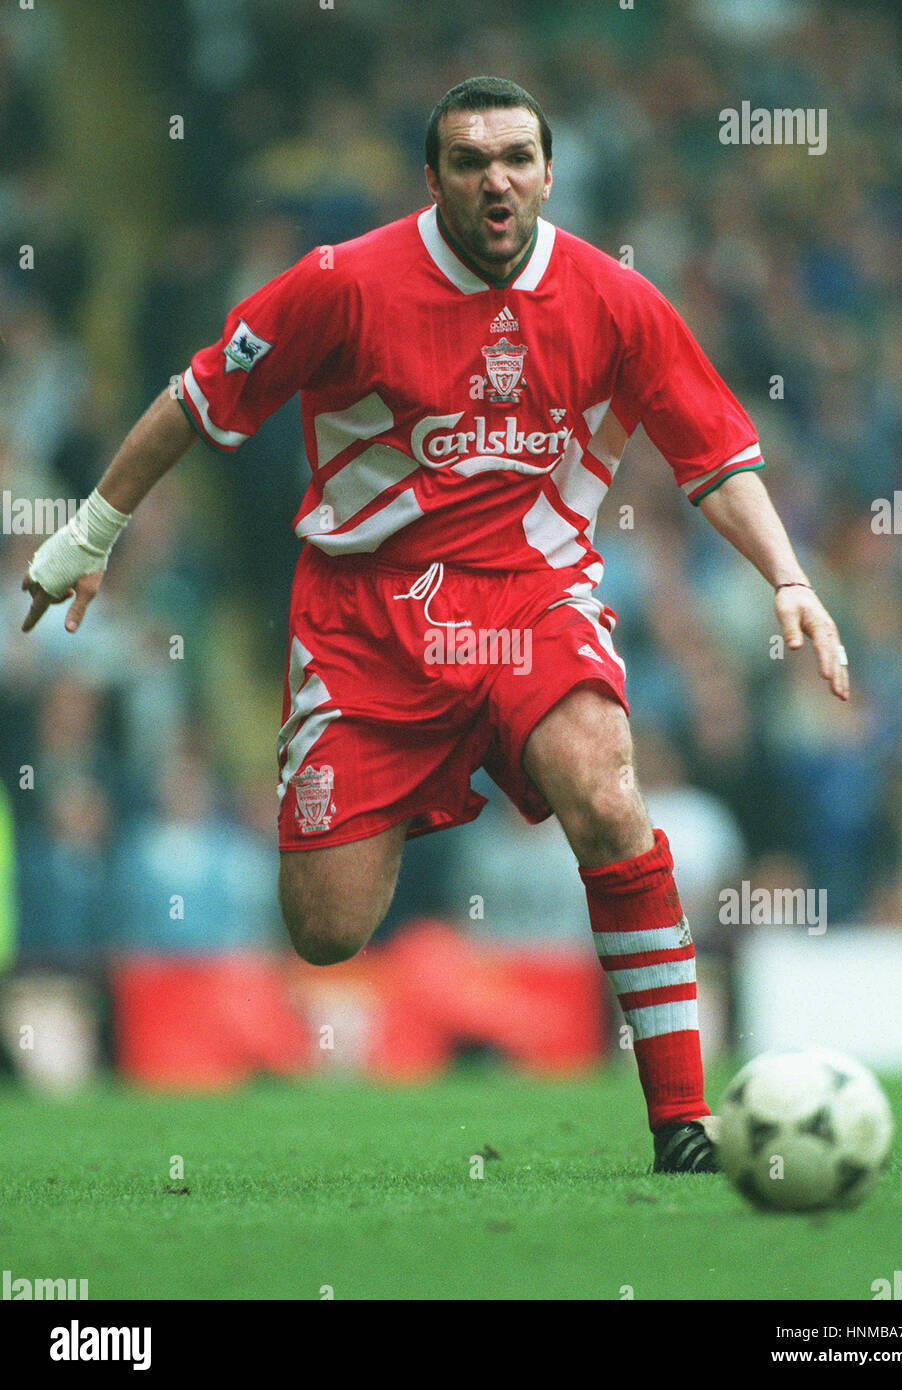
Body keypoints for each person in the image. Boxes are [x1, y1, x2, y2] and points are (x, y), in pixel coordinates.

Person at [22, 77, 850, 1173]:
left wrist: (786, 578)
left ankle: (680, 1121)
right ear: (432, 179)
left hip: (529, 595)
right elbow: (197, 398)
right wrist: (89, 533)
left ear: (550, 174)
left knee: (606, 791)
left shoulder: (615, 300)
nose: (494, 179)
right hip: (368, 618)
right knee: (326, 931)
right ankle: (410, 779)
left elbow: (712, 453)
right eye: (468, 161)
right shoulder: (341, 285)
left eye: (516, 157)